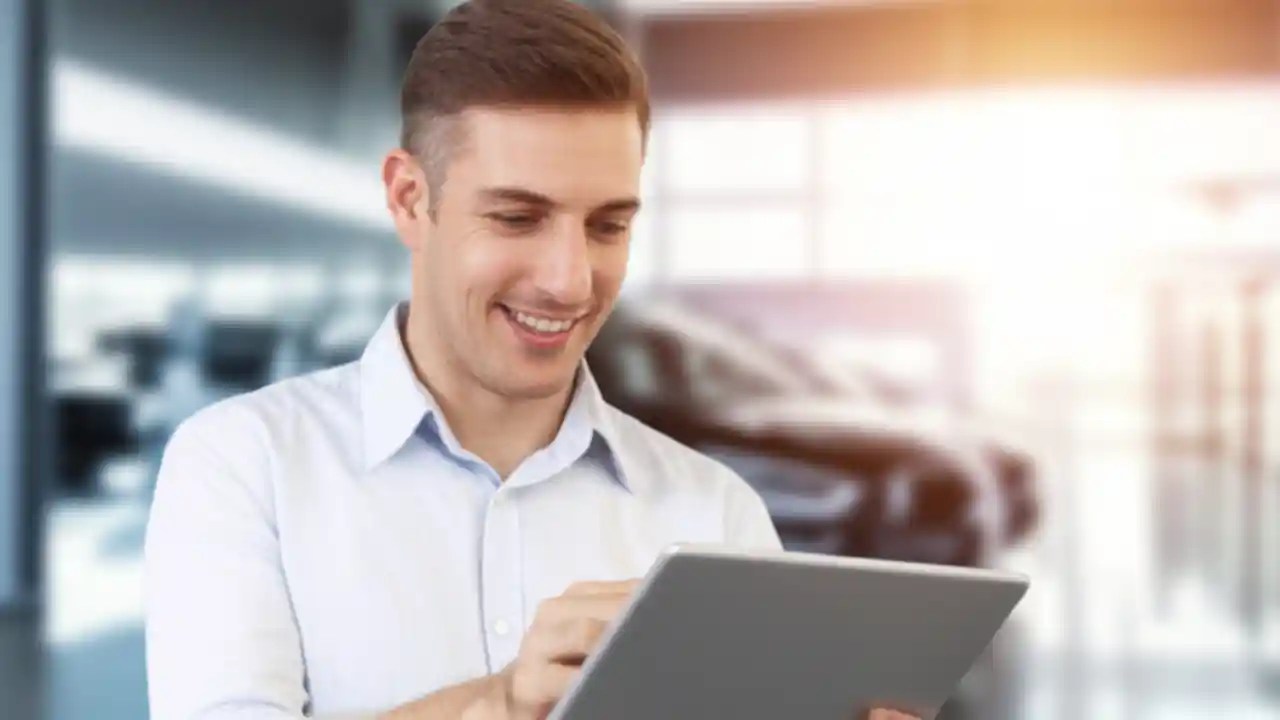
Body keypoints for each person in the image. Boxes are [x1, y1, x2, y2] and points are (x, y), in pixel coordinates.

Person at [144, 2, 918, 719]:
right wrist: (501, 704)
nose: (570, 279)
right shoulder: (245, 467)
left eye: (608, 226)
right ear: (411, 199)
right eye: (519, 217)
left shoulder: (716, 514)